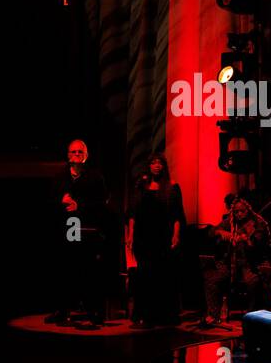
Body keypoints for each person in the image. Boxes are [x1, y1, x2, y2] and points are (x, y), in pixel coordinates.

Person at [47, 140, 111, 328]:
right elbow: (49, 200)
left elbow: (102, 203)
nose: (76, 154)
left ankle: (93, 311)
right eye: (73, 151)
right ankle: (62, 310)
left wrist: (79, 206)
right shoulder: (60, 177)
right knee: (63, 271)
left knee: (88, 271)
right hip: (64, 229)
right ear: (68, 155)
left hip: (86, 230)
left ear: (86, 155)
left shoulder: (95, 177)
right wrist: (61, 200)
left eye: (80, 151)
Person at [126, 153, 185, 328]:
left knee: (164, 276)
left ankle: (165, 315)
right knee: (145, 275)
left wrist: (176, 235)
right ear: (149, 166)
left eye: (160, 163)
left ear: (164, 167)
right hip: (144, 238)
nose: (157, 166)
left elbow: (177, 215)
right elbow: (133, 212)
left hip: (163, 238)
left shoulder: (173, 187)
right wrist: (130, 235)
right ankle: (145, 315)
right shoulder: (142, 186)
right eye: (153, 163)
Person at [202, 195, 271, 326]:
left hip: (251, 263)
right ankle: (213, 315)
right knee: (211, 278)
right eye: (236, 211)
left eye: (242, 211)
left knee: (252, 281)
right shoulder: (230, 221)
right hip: (231, 263)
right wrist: (220, 232)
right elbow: (211, 231)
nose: (239, 214)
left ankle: (252, 316)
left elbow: (259, 245)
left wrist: (246, 240)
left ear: (248, 209)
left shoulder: (258, 222)